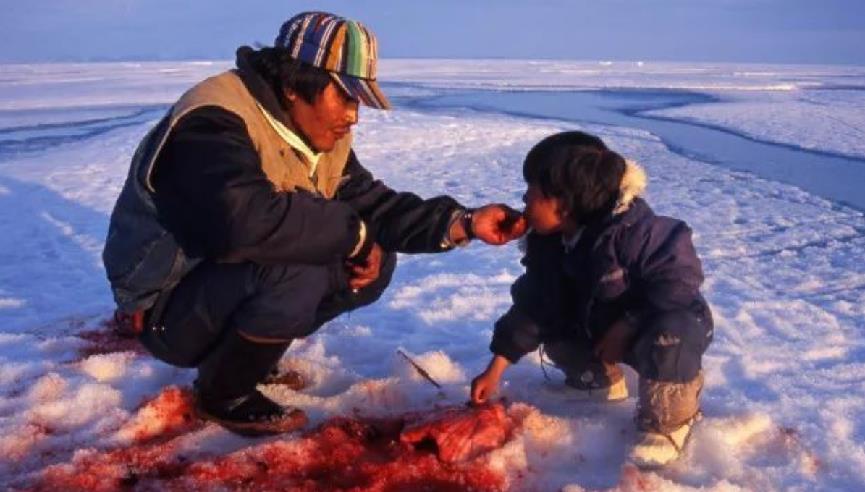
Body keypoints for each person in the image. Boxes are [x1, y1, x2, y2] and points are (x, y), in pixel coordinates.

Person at [102, 11, 526, 437]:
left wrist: (464, 223)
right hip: (167, 309)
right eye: (344, 97)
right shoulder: (214, 121)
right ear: (292, 85)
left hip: (218, 289)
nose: (353, 116)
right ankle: (222, 393)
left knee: (372, 258)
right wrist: (352, 235)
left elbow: (369, 205)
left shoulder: (315, 134)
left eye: (357, 101)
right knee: (296, 267)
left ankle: (246, 357)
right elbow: (243, 223)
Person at [469, 131, 713, 468]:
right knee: (553, 318)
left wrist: (629, 323)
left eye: (532, 193)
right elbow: (533, 306)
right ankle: (595, 378)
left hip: (659, 326)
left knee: (672, 332)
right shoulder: (551, 243)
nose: (523, 199)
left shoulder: (636, 233)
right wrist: (495, 368)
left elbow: (679, 284)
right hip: (600, 323)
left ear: (564, 205)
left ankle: (667, 422)